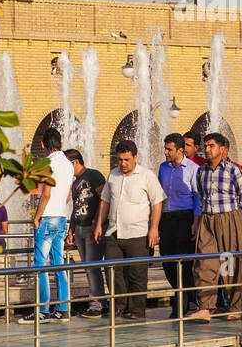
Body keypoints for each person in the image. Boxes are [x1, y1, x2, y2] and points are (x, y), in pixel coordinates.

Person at [93, 139, 165, 320]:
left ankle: (137, 309)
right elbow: (105, 201)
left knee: (137, 273)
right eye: (120, 160)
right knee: (112, 271)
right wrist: (99, 225)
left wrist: (154, 228)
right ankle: (118, 306)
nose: (123, 164)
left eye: (126, 160)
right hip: (114, 232)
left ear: (135, 157)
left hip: (138, 233)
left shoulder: (146, 176)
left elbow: (157, 201)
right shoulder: (113, 176)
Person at [187, 132, 242, 323]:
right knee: (204, 263)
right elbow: (201, 195)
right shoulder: (201, 171)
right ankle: (205, 307)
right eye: (205, 146)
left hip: (229, 219)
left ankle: (235, 306)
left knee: (229, 264)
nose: (206, 150)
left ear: (222, 149)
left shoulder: (233, 170)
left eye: (211, 146)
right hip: (207, 220)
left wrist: (238, 222)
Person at [18, 127, 74, 323]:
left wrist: (38, 216)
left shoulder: (48, 163)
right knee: (59, 264)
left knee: (40, 265)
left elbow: (46, 193)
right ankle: (63, 308)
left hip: (48, 218)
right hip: (61, 218)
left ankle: (42, 310)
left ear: (43, 144)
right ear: (60, 143)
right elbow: (67, 195)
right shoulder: (69, 164)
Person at [157, 133, 202, 317]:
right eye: (165, 148)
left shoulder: (193, 169)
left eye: (169, 149)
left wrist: (196, 223)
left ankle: (180, 306)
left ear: (180, 150)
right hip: (167, 219)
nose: (165, 152)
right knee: (167, 262)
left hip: (186, 218)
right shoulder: (163, 168)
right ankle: (185, 298)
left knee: (183, 264)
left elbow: (198, 198)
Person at [65, 150, 107, 317]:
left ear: (75, 162)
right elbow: (76, 207)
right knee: (87, 267)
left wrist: (97, 223)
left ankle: (97, 305)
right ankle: (98, 302)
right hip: (80, 228)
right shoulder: (75, 182)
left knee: (92, 267)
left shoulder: (93, 175)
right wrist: (71, 229)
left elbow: (104, 200)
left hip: (92, 228)